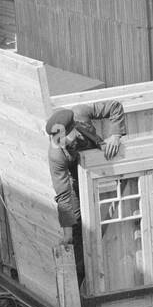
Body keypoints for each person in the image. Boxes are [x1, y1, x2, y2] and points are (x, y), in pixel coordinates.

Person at [46, 101, 127, 277]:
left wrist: (115, 135)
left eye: (66, 140)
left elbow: (114, 107)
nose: (63, 145)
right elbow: (63, 194)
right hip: (75, 178)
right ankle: (80, 276)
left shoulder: (80, 112)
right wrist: (67, 231)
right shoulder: (56, 154)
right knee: (76, 227)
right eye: (59, 142)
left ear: (74, 127)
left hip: (101, 169)